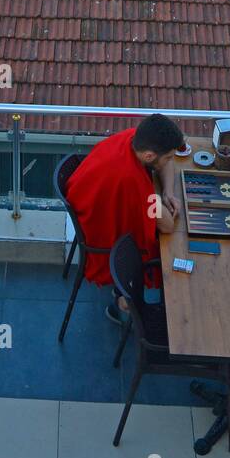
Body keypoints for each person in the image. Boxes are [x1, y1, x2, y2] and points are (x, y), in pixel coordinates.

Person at [64, 114, 183, 322]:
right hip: (100, 233)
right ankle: (123, 304)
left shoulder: (133, 138)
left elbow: (165, 162)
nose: (170, 161)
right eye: (168, 157)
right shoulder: (133, 181)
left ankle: (121, 295)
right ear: (148, 156)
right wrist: (155, 196)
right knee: (163, 248)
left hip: (95, 203)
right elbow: (167, 225)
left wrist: (168, 193)